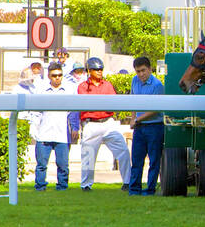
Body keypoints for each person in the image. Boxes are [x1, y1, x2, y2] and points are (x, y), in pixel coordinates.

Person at [76, 56, 131, 191]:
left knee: (123, 150)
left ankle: (128, 182)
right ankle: (86, 185)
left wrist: (97, 104)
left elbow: (111, 105)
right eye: (96, 69)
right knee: (88, 155)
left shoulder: (107, 85)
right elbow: (86, 105)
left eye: (101, 69)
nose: (100, 71)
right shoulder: (83, 87)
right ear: (89, 71)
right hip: (91, 124)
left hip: (108, 122)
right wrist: (100, 104)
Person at [31, 62, 75, 191]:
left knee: (63, 165)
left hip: (62, 133)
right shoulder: (41, 90)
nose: (57, 78)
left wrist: (75, 128)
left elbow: (73, 112)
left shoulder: (69, 90)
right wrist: (33, 126)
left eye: (60, 75)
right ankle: (40, 186)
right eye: (54, 75)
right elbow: (35, 111)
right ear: (49, 76)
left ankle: (62, 187)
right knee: (41, 164)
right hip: (44, 133)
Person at [127, 55, 165, 196]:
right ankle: (134, 189)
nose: (141, 74)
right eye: (138, 71)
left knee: (154, 161)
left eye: (143, 70)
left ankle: (150, 189)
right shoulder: (134, 81)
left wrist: (137, 119)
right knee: (136, 160)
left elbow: (155, 109)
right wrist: (133, 118)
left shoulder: (157, 85)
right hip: (139, 127)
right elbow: (133, 101)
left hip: (154, 126)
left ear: (150, 69)